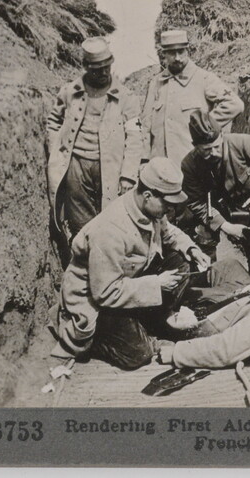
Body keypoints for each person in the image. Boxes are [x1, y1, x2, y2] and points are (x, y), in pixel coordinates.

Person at [49, 158, 211, 369]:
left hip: (129, 283)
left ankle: (148, 322)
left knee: (180, 263)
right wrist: (156, 284)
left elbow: (167, 231)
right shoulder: (110, 231)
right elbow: (104, 292)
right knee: (138, 353)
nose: (170, 211)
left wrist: (192, 249)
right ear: (148, 195)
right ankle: (97, 340)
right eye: (167, 204)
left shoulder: (149, 207)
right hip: (97, 301)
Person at [46, 37, 142, 250]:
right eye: (98, 70)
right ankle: (84, 265)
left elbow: (135, 137)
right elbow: (53, 121)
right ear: (86, 67)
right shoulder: (69, 92)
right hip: (76, 166)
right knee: (81, 223)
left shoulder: (126, 97)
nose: (104, 73)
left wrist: (128, 174)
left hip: (110, 168)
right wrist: (57, 152)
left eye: (107, 68)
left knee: (108, 219)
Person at [179, 109, 250, 275]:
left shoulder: (244, 144)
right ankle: (206, 276)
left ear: (222, 136)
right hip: (216, 211)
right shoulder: (189, 165)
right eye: (206, 150)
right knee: (201, 234)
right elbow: (195, 202)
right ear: (196, 147)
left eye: (216, 147)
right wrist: (226, 227)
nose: (213, 153)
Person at [140, 29, 243, 164]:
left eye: (181, 51)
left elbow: (235, 104)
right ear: (164, 54)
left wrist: (205, 127)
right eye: (172, 52)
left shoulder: (203, 78)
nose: (177, 57)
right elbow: (146, 125)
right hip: (160, 167)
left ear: (187, 51)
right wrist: (144, 160)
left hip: (192, 164)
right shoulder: (156, 83)